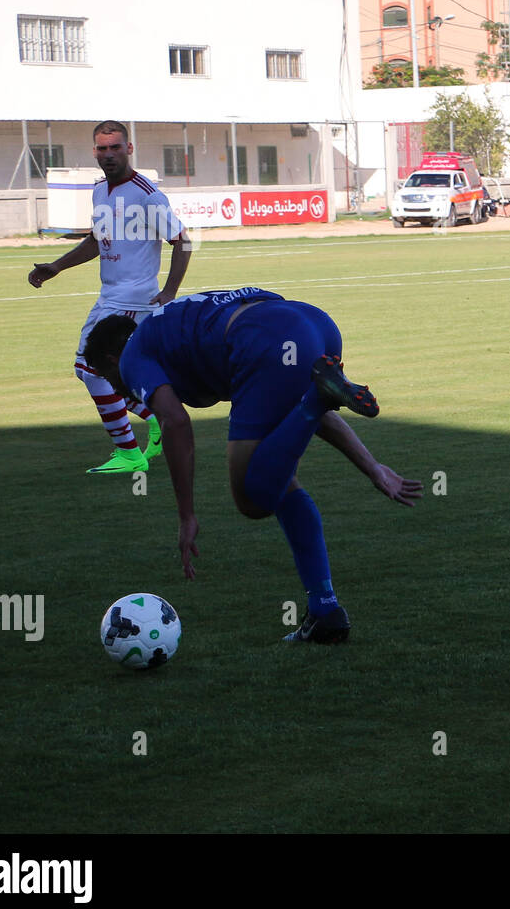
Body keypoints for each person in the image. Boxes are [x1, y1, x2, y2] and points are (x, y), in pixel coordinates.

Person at [81, 287, 423, 643]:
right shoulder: (172, 330)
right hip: (312, 324)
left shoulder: (133, 354)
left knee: (252, 497)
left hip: (265, 337)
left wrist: (186, 515)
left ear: (111, 357)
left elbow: (175, 422)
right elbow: (287, 381)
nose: (118, 391)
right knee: (281, 483)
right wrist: (374, 467)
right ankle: (325, 611)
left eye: (108, 376)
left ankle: (316, 397)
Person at [28, 120, 193, 474]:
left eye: (115, 147)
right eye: (102, 149)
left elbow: (182, 241)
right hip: (109, 296)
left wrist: (169, 292)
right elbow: (95, 241)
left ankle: (129, 453)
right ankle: (155, 418)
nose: (109, 154)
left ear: (129, 149)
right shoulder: (99, 191)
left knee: (94, 369)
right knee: (85, 369)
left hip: (135, 301)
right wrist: (56, 267)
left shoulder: (146, 194)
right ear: (94, 152)